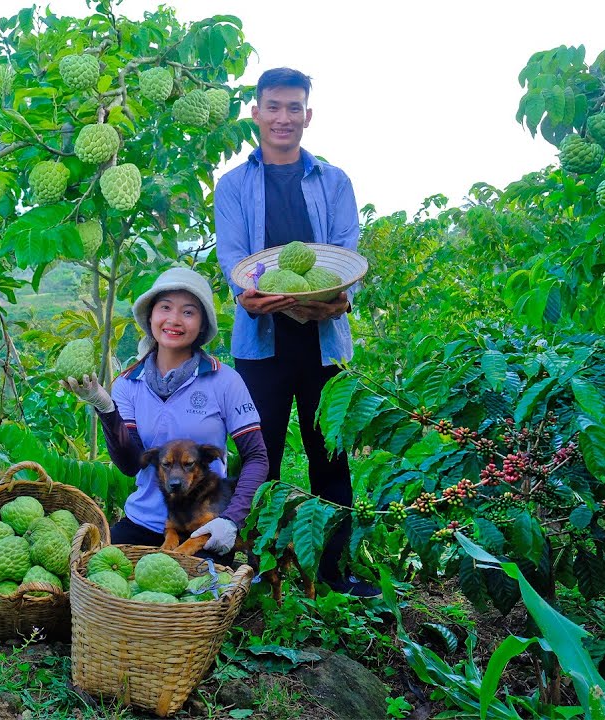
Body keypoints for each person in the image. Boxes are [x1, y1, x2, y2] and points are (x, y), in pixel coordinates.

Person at [214, 67, 379, 597]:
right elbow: (234, 258)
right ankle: (257, 568)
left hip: (323, 344)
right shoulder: (235, 185)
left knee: (328, 456)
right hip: (260, 345)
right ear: (256, 113)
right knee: (259, 456)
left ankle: (334, 572)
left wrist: (333, 302)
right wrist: (250, 296)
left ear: (308, 115)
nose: (283, 118)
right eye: (274, 107)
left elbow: (346, 253)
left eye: (294, 108)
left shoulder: (334, 182)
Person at [62, 267, 269, 565]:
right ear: (150, 318)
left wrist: (231, 520)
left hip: (206, 526)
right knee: (96, 578)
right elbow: (131, 464)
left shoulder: (225, 381)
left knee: (195, 606)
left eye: (188, 312)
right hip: (143, 523)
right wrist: (106, 409)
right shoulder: (127, 383)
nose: (174, 320)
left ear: (202, 325)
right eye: (165, 308)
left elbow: (257, 456)